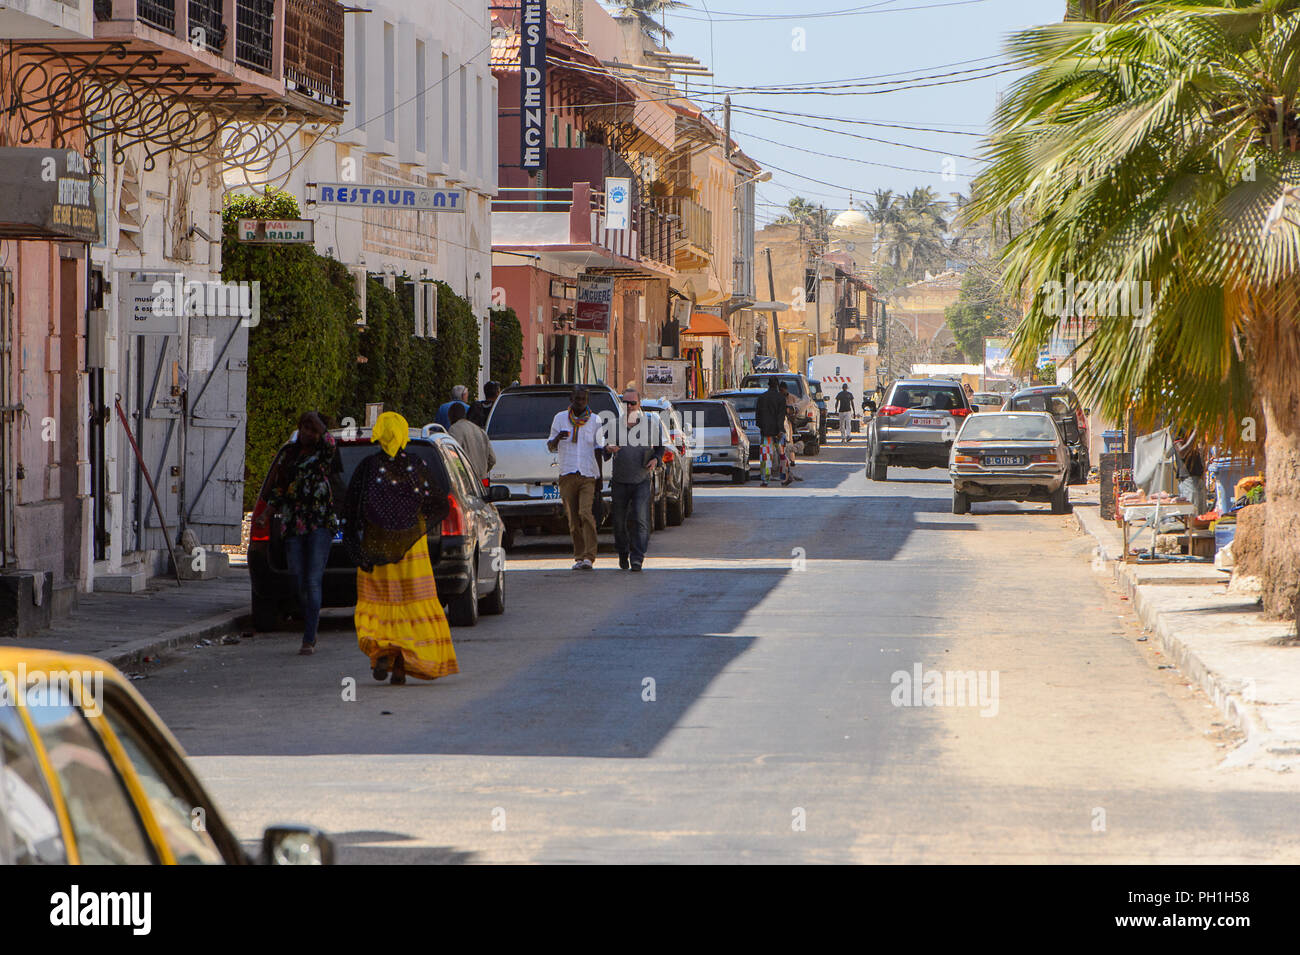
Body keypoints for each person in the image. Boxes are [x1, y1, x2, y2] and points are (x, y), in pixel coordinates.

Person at [343, 412, 457, 685]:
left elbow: (351, 508)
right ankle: (401, 667)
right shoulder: (415, 466)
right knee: (410, 603)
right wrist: (416, 526)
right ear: (404, 435)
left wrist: (356, 545)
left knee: (380, 601)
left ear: (379, 435)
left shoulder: (367, 467)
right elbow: (438, 503)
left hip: (376, 547)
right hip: (412, 553)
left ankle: (383, 652)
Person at [265, 411, 342, 655]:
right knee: (297, 578)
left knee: (312, 579)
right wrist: (265, 514)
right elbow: (278, 487)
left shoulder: (324, 454)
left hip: (319, 523)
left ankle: (309, 637)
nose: (308, 433)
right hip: (294, 524)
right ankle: (308, 616)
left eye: (313, 430)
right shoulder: (289, 455)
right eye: (304, 428)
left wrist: (319, 423)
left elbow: (330, 442)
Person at [547, 386, 607, 569]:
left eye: (584, 399)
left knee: (585, 513)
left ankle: (590, 556)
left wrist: (600, 478)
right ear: (571, 399)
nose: (580, 402)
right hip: (567, 473)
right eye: (577, 399)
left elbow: (598, 449)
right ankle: (579, 557)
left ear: (587, 400)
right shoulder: (560, 418)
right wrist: (558, 438)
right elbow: (550, 446)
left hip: (588, 474)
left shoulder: (595, 420)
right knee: (573, 519)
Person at [604, 388, 663, 571]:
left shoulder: (649, 424)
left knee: (640, 518)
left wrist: (656, 459)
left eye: (632, 403)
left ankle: (637, 557)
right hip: (620, 481)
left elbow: (660, 449)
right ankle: (623, 552)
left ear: (639, 404)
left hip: (641, 481)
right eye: (625, 403)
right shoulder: (614, 425)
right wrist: (608, 449)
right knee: (619, 522)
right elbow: (603, 452)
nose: (629, 406)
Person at [448, 402, 496, 482]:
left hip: (467, 481)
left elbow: (452, 456)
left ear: (450, 416)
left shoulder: (454, 429)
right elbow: (492, 459)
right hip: (482, 481)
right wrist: (483, 470)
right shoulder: (481, 431)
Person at [755, 378, 790, 487]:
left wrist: (762, 427)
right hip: (778, 433)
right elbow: (781, 416)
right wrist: (779, 430)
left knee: (766, 456)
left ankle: (765, 480)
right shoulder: (781, 398)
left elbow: (758, 416)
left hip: (766, 433)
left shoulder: (762, 398)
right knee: (782, 456)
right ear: (778, 386)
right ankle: (784, 478)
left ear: (768, 385)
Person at [1175, 429, 1207, 513]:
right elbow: (1182, 452)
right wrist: (1195, 432)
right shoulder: (1178, 429)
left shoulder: (1192, 430)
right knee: (1192, 513)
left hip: (1198, 477)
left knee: (1202, 514)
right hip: (1188, 478)